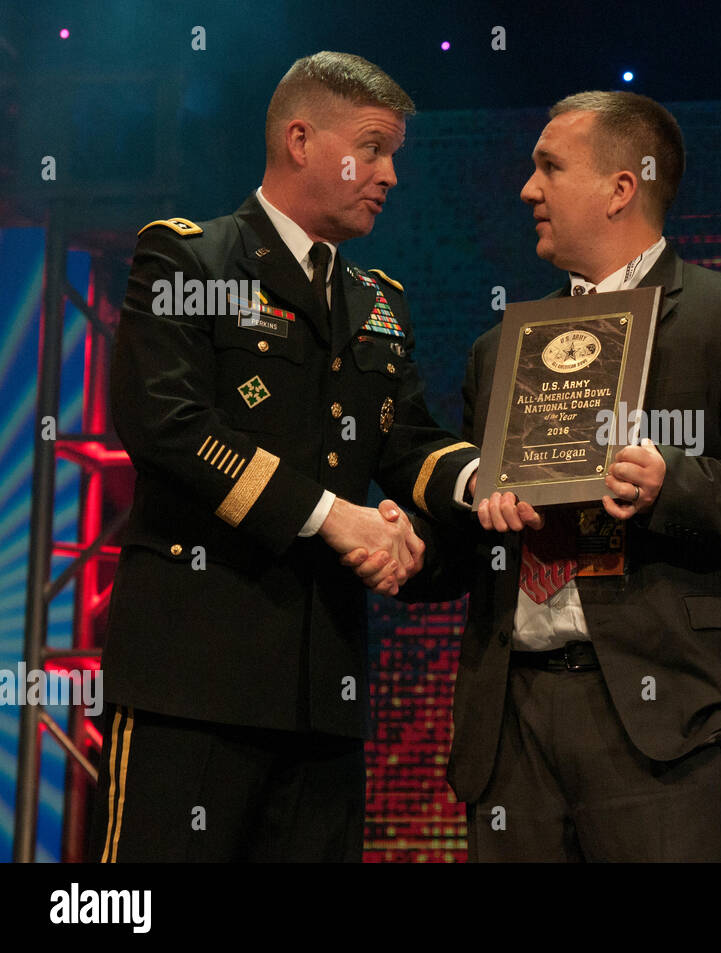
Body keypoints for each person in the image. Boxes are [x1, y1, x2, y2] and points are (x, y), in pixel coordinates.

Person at [91, 51, 477, 862]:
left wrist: (487, 483)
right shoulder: (190, 260)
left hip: (323, 695)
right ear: (301, 140)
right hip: (191, 686)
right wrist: (333, 516)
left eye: (395, 154)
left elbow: (407, 441)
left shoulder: (379, 303)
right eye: (373, 148)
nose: (391, 174)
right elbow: (167, 423)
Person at [450, 91, 721, 861]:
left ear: (622, 188)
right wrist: (441, 508)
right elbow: (472, 525)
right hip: (514, 724)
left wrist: (674, 483)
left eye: (549, 167)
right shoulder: (499, 349)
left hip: (677, 720)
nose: (528, 190)